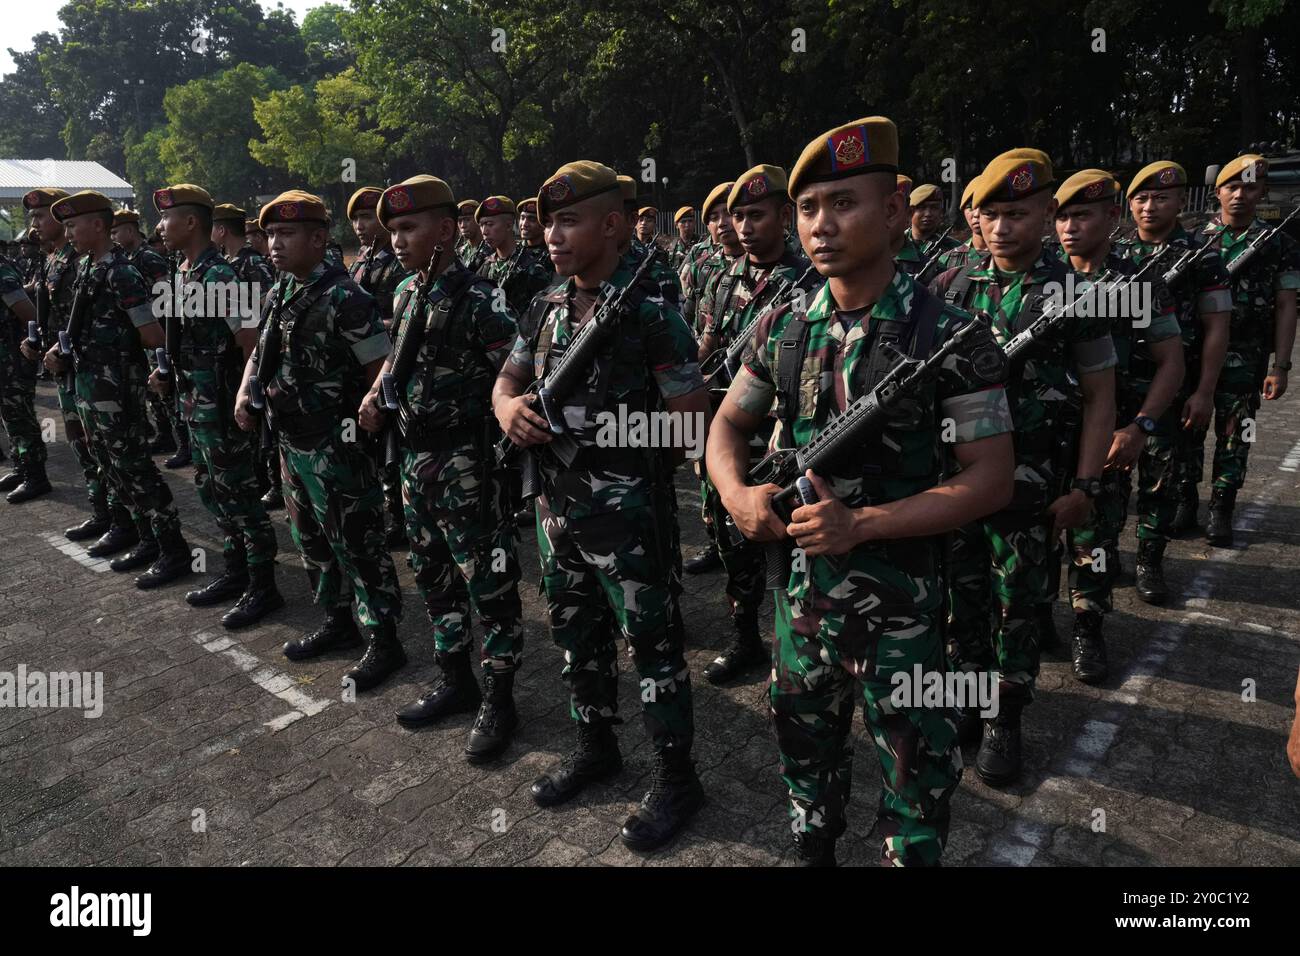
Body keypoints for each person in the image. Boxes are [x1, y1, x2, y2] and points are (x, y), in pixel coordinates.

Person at [707, 116, 1015, 865]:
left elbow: (991, 478)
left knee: (916, 784)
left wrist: (865, 524)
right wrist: (737, 497)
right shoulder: (783, 328)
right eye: (808, 209)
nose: (820, 225)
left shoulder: (952, 334)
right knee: (805, 764)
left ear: (893, 209)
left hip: (902, 613)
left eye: (843, 204)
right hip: (801, 606)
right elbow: (723, 429)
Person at [493, 160, 709, 851]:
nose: (551, 234)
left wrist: (605, 441)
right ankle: (596, 747)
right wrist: (509, 412)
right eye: (547, 221)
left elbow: (690, 426)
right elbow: (508, 378)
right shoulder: (545, 307)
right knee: (575, 634)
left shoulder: (653, 317)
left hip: (628, 517)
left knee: (652, 646)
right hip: (556, 509)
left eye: (568, 220)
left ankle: (676, 777)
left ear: (612, 225)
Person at [931, 149, 1117, 786]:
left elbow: (1100, 398)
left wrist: (1087, 485)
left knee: (1017, 603)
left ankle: (1005, 718)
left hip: (1030, 484)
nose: (1003, 226)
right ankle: (969, 694)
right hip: (955, 481)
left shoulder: (1078, 295)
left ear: (1046, 213)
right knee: (962, 596)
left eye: (1018, 212)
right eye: (992, 213)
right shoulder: (950, 285)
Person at [357, 175, 525, 761]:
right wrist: (377, 393)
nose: (397, 239)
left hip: (467, 465)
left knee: (490, 584)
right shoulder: (405, 293)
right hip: (414, 460)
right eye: (394, 229)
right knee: (432, 575)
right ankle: (455, 678)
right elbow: (397, 358)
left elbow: (517, 376)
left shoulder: (482, 300)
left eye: (409, 228)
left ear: (448, 231)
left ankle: (500, 698)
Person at [234, 189, 404, 692]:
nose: (275, 244)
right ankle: (337, 621)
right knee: (310, 538)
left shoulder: (344, 297)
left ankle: (384, 639)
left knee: (359, 542)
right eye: (270, 234)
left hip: (338, 445)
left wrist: (369, 416)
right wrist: (246, 390)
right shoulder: (280, 291)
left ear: (318, 238)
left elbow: (382, 368)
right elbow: (259, 351)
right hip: (291, 442)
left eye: (286, 234)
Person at [1052, 170, 1183, 681]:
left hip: (1107, 433)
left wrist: (1142, 425)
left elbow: (1171, 360)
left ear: (1111, 216)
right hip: (1041, 434)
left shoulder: (1138, 281)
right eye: (1061, 216)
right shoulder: (1042, 276)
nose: (1069, 227)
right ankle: (1035, 620)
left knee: (1097, 539)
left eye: (1082, 214)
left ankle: (1089, 626)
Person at [693, 163, 818, 685]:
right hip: (728, 430)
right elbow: (705, 344)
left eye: (755, 214)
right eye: (737, 216)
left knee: (792, 547)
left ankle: (805, 648)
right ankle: (745, 635)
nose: (743, 226)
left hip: (783, 438)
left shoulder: (810, 280)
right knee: (731, 536)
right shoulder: (723, 278)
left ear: (784, 216)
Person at [40, 190, 194, 589]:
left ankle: (173, 549)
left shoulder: (121, 272)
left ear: (98, 225)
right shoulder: (89, 267)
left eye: (74, 225)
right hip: (90, 386)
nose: (68, 232)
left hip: (116, 389)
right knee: (110, 465)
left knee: (135, 468)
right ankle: (144, 538)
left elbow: (151, 333)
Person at [150, 184, 283, 628]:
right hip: (195, 405)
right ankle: (236, 570)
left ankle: (264, 586)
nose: (160, 227)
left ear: (191, 223)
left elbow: (251, 345)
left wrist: (249, 401)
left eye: (167, 219)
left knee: (241, 494)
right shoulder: (182, 272)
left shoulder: (222, 276)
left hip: (224, 405)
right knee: (211, 488)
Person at [1120, 160, 1232, 579]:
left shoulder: (1203, 257)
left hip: (1171, 382)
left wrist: (1204, 390)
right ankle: (1106, 558)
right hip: (1118, 383)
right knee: (1109, 483)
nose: (1150, 207)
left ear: (1181, 201)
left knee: (1160, 478)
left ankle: (1150, 560)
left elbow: (1217, 327)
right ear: (1130, 205)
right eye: (1142, 198)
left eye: (1161, 197)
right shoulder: (1118, 254)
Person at [1191, 154, 1298, 546]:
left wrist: (1281, 364)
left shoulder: (1279, 244)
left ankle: (1222, 504)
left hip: (1247, 358)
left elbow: (1287, 304)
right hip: (1194, 356)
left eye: (1250, 187)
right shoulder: (1195, 241)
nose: (1240, 195)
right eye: (1232, 187)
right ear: (1217, 191)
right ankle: (1184, 499)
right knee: (1186, 433)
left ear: (1263, 192)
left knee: (1239, 434)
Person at [347, 186, 412, 548]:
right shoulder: (361, 260)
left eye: (368, 216)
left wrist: (376, 327)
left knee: (392, 446)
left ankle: (399, 516)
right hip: (363, 365)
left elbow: (398, 318)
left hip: (390, 359)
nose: (360, 224)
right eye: (356, 218)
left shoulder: (397, 263)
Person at [0, 241, 46, 503]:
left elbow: (29, 314)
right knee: (9, 417)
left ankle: (36, 476)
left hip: (12, 359)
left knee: (20, 417)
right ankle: (21, 468)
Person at [475, 195, 555, 319]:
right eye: (481, 225)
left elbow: (542, 315)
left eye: (489, 224)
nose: (484, 231)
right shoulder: (486, 265)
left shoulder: (532, 268)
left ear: (508, 225)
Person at [935, 178, 987, 273]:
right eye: (970, 207)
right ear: (963, 211)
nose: (976, 213)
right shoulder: (947, 260)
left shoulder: (1014, 257)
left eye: (984, 207)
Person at [456, 199, 490, 268]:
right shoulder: (460, 252)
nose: (463, 225)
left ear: (478, 221)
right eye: (459, 221)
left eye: (467, 219)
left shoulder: (490, 249)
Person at [667, 207, 696, 271]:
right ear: (676, 225)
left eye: (690, 221)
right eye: (683, 221)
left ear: (694, 223)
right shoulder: (670, 248)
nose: (687, 225)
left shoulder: (702, 245)